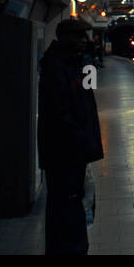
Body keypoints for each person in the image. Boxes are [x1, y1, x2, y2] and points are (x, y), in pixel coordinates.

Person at [38, 18, 104, 254]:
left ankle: (71, 248)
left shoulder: (71, 64)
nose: (84, 41)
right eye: (79, 36)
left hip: (72, 152)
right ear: (64, 37)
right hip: (64, 154)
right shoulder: (56, 68)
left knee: (71, 206)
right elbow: (60, 116)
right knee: (67, 207)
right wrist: (82, 141)